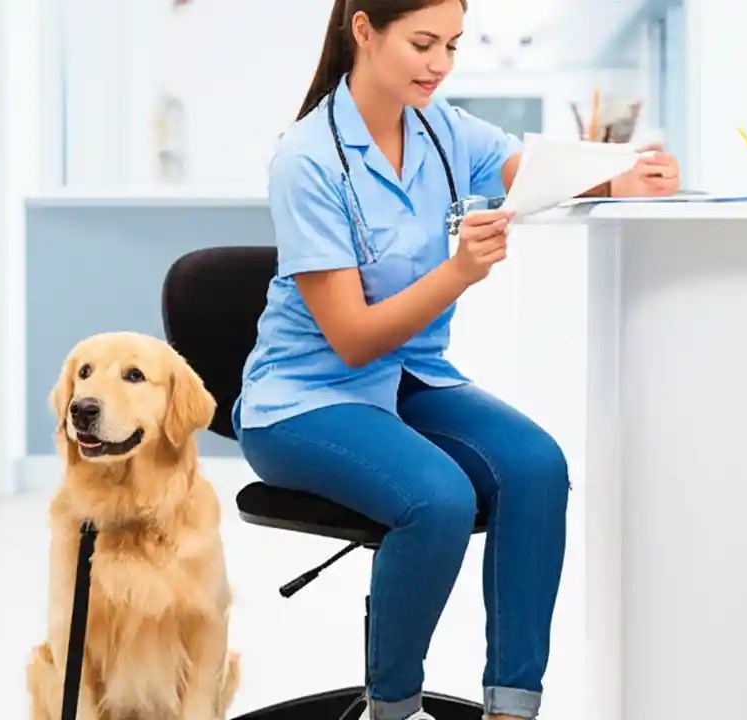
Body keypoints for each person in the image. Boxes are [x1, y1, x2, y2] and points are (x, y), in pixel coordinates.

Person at [231, 1, 680, 719]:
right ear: (365, 31)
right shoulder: (307, 159)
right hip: (305, 402)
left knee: (536, 468)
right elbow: (351, 338)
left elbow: (527, 171)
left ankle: (511, 707)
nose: (440, 64)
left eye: (452, 44)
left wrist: (620, 178)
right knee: (438, 499)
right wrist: (460, 272)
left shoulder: (442, 129)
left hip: (409, 380)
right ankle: (394, 708)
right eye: (422, 43)